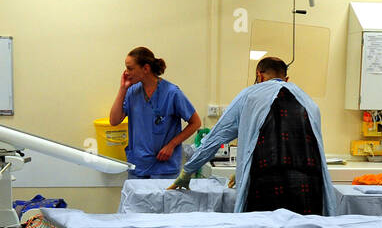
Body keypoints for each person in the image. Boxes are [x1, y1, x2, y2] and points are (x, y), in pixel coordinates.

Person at [171, 57, 333, 215]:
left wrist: (187, 171)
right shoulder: (309, 102)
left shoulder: (249, 95)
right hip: (310, 188)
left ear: (259, 75)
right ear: (286, 78)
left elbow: (215, 138)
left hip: (267, 186)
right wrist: (242, 167)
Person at [108, 46, 201, 178]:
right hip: (138, 168)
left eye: (130, 68)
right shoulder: (132, 92)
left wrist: (172, 145)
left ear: (146, 68)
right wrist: (122, 88)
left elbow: (196, 123)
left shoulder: (171, 93)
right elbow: (114, 121)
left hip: (165, 169)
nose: (126, 73)